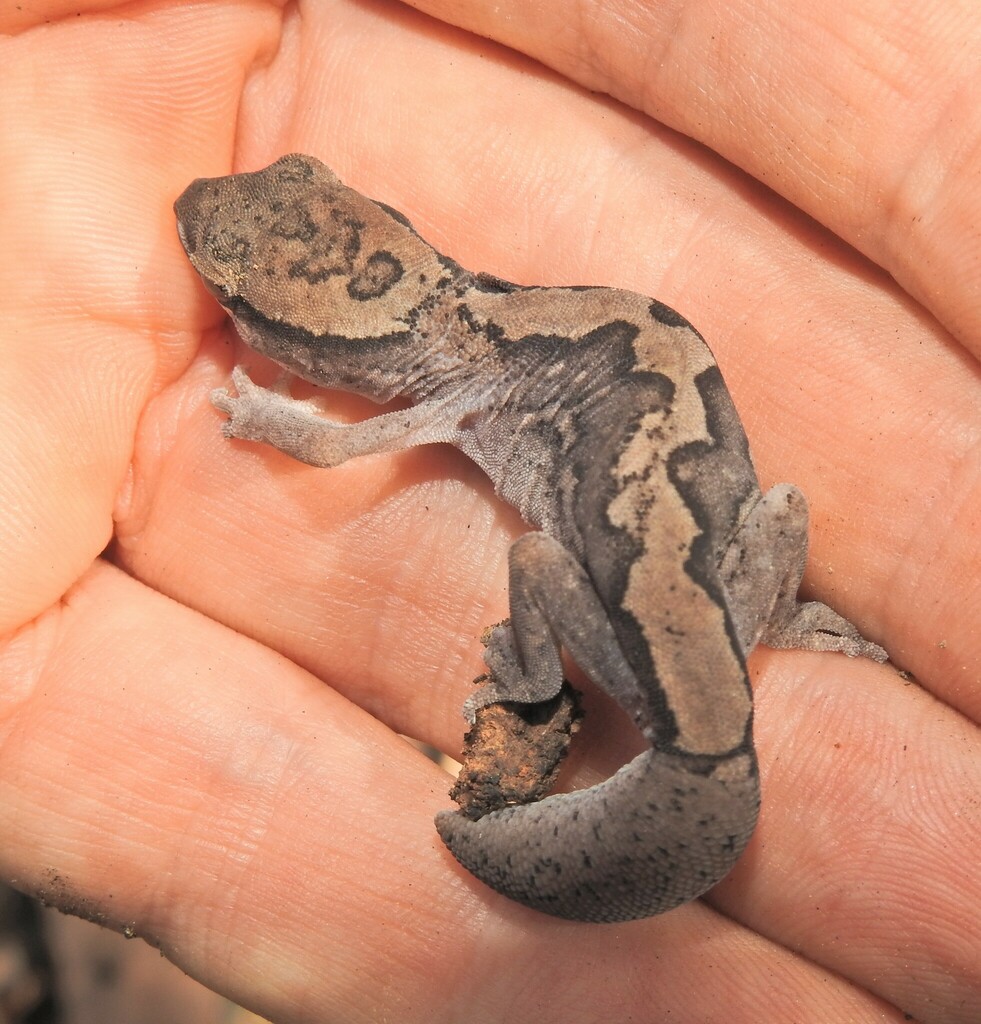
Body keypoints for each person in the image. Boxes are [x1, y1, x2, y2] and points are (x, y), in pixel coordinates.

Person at [1, 2, 977, 1022]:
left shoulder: (441, 390)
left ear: (312, 347)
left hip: (654, 657)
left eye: (231, 293)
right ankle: (762, 620)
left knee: (544, 565)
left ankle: (531, 671)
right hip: (718, 593)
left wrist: (256, 412)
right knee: (777, 507)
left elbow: (332, 441)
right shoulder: (485, 334)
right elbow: (756, 495)